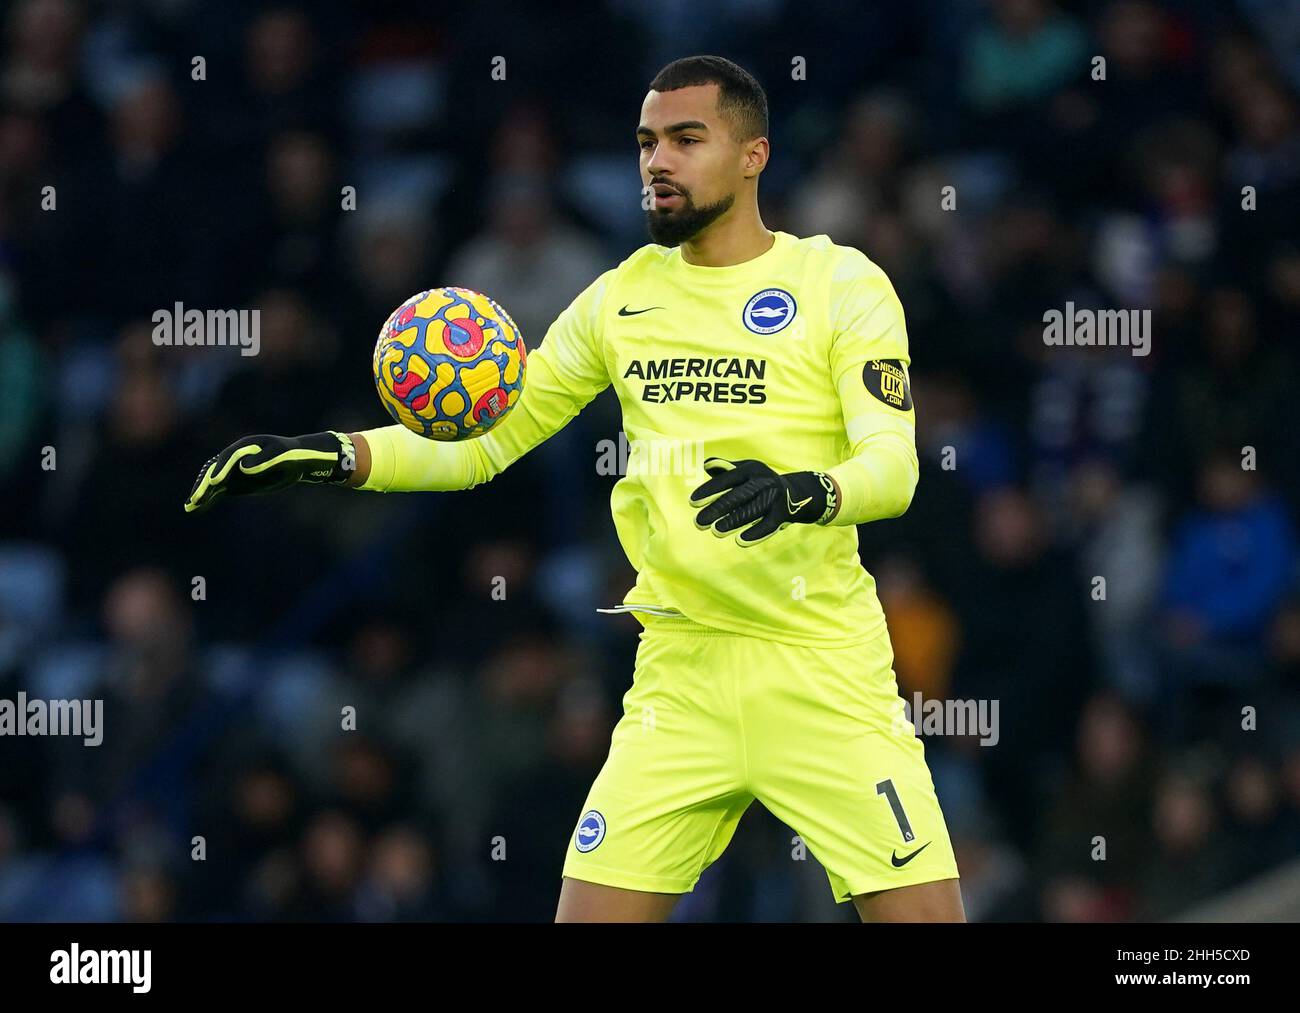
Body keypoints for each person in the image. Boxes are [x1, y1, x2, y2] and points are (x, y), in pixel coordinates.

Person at [184, 55, 964, 924]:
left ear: (754, 156)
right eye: (644, 143)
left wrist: (802, 491)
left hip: (821, 670)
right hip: (681, 679)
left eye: (685, 139)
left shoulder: (840, 283)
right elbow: (486, 444)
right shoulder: (620, 297)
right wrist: (334, 453)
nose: (657, 162)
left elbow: (894, 469)